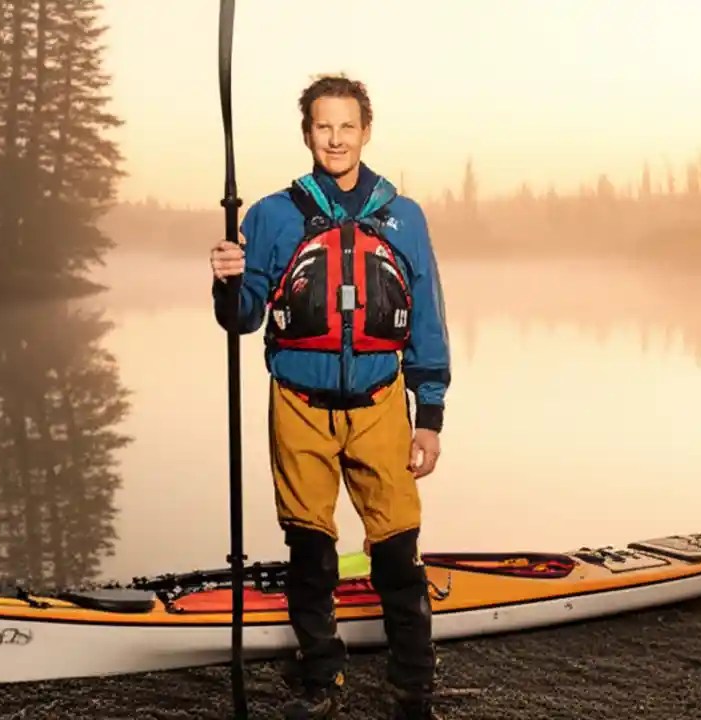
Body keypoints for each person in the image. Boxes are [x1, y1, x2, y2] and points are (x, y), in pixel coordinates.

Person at [209, 74, 451, 720]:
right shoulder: (270, 215)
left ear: (366, 131)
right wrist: (229, 285)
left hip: (380, 403)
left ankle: (413, 689)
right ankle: (322, 680)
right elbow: (244, 318)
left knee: (398, 551)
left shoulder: (405, 217)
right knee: (311, 553)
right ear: (307, 133)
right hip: (298, 405)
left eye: (347, 127)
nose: (336, 139)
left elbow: (426, 315)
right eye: (324, 127)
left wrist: (429, 416)